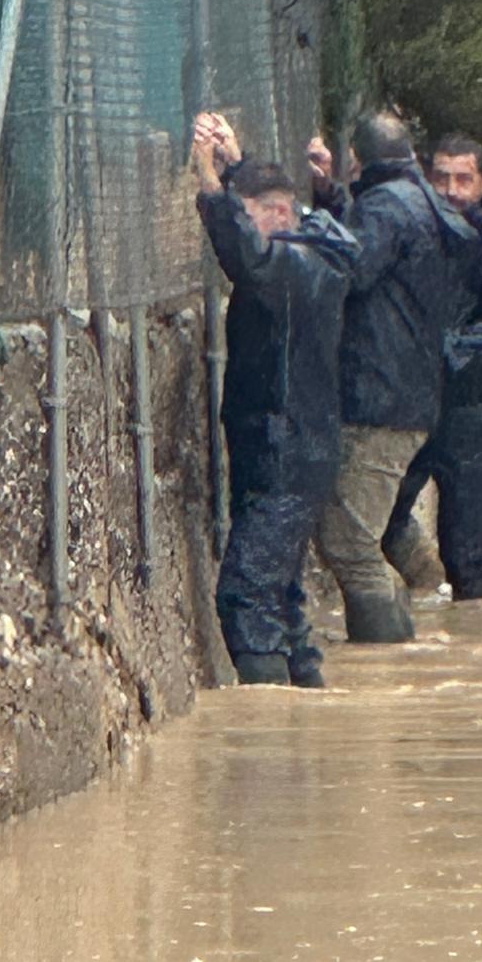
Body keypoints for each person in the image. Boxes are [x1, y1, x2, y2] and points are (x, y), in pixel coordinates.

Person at [193, 111, 353, 688]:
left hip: (287, 452)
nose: (242, 221)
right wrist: (236, 163)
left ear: (281, 216)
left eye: (250, 213)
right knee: (283, 598)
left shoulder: (295, 265)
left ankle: (262, 747)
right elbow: (256, 227)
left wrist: (212, 188)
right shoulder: (316, 247)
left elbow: (250, 258)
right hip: (286, 449)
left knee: (246, 595)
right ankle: (306, 730)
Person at [313, 112, 480, 643]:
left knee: (350, 545)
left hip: (379, 400)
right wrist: (337, 197)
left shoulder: (387, 206)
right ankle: (434, 616)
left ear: (358, 159)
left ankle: (384, 666)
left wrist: (304, 225)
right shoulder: (420, 201)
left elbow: (354, 268)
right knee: (369, 535)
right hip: (409, 396)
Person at [382, 134, 482, 605]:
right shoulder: (414, 229)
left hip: (481, 419)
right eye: (441, 179)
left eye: (463, 180)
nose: (451, 190)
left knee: (467, 556)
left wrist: (439, 349)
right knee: (380, 520)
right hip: (416, 407)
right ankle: (423, 584)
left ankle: (478, 642)